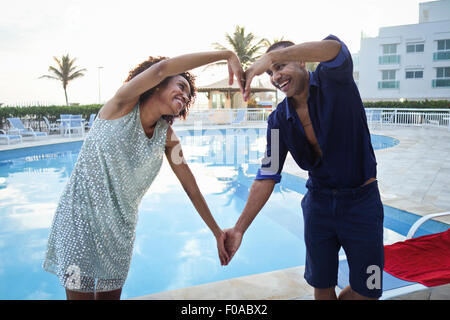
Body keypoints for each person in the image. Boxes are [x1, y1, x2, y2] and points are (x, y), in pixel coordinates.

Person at [43, 50, 244, 300]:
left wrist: (217, 232)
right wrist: (226, 55)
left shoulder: (168, 138)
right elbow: (163, 67)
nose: (184, 95)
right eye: (180, 86)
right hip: (79, 222)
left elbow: (191, 187)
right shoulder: (121, 104)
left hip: (119, 233)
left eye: (188, 95)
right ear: (158, 84)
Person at [223, 35, 384, 300]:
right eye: (271, 72)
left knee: (370, 287)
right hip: (319, 206)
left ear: (301, 60)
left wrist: (272, 57)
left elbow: (336, 49)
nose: (276, 76)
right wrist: (239, 228)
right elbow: (267, 174)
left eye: (281, 66)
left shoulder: (334, 80)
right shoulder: (278, 120)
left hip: (361, 203)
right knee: (321, 285)